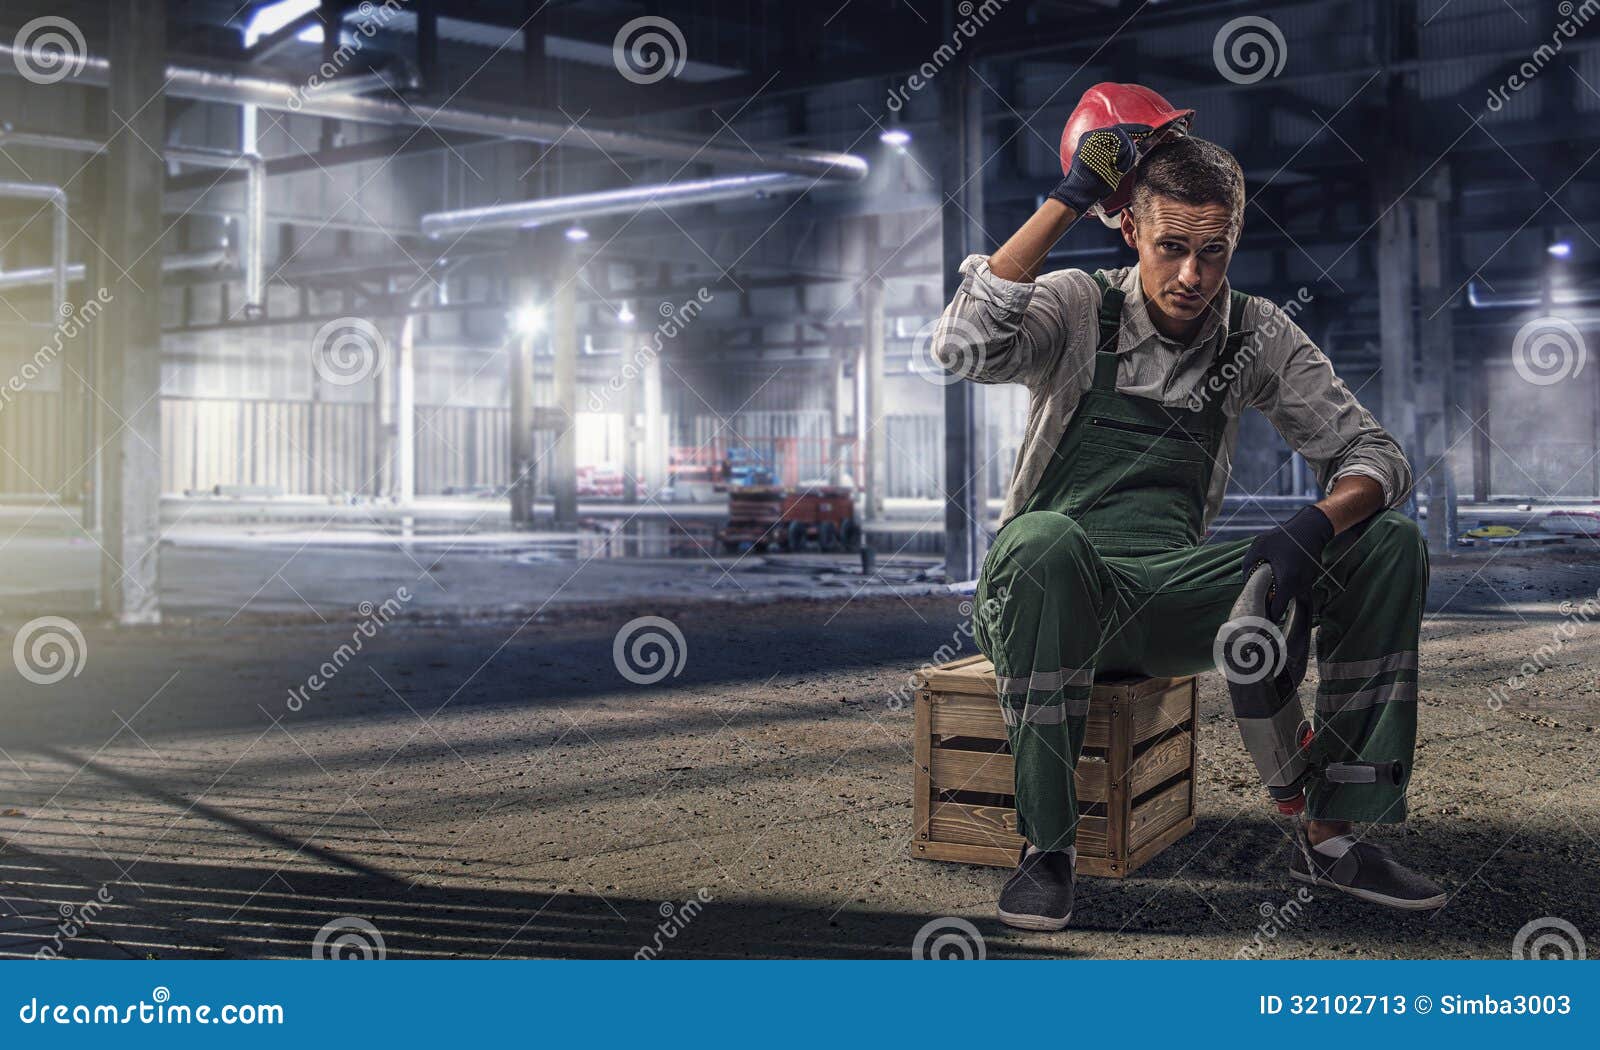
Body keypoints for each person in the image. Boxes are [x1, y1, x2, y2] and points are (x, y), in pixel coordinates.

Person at [931, 119, 1445, 932]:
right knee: (1044, 541)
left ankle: (1332, 833)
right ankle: (1047, 849)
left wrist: (1313, 527)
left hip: (1165, 594)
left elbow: (1375, 454)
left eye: (1214, 251)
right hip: (1045, 592)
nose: (1192, 274)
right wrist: (1071, 200)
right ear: (1130, 227)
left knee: (1387, 542)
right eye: (1171, 246)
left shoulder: (1256, 333)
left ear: (1234, 238)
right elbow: (961, 348)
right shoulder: (1076, 305)